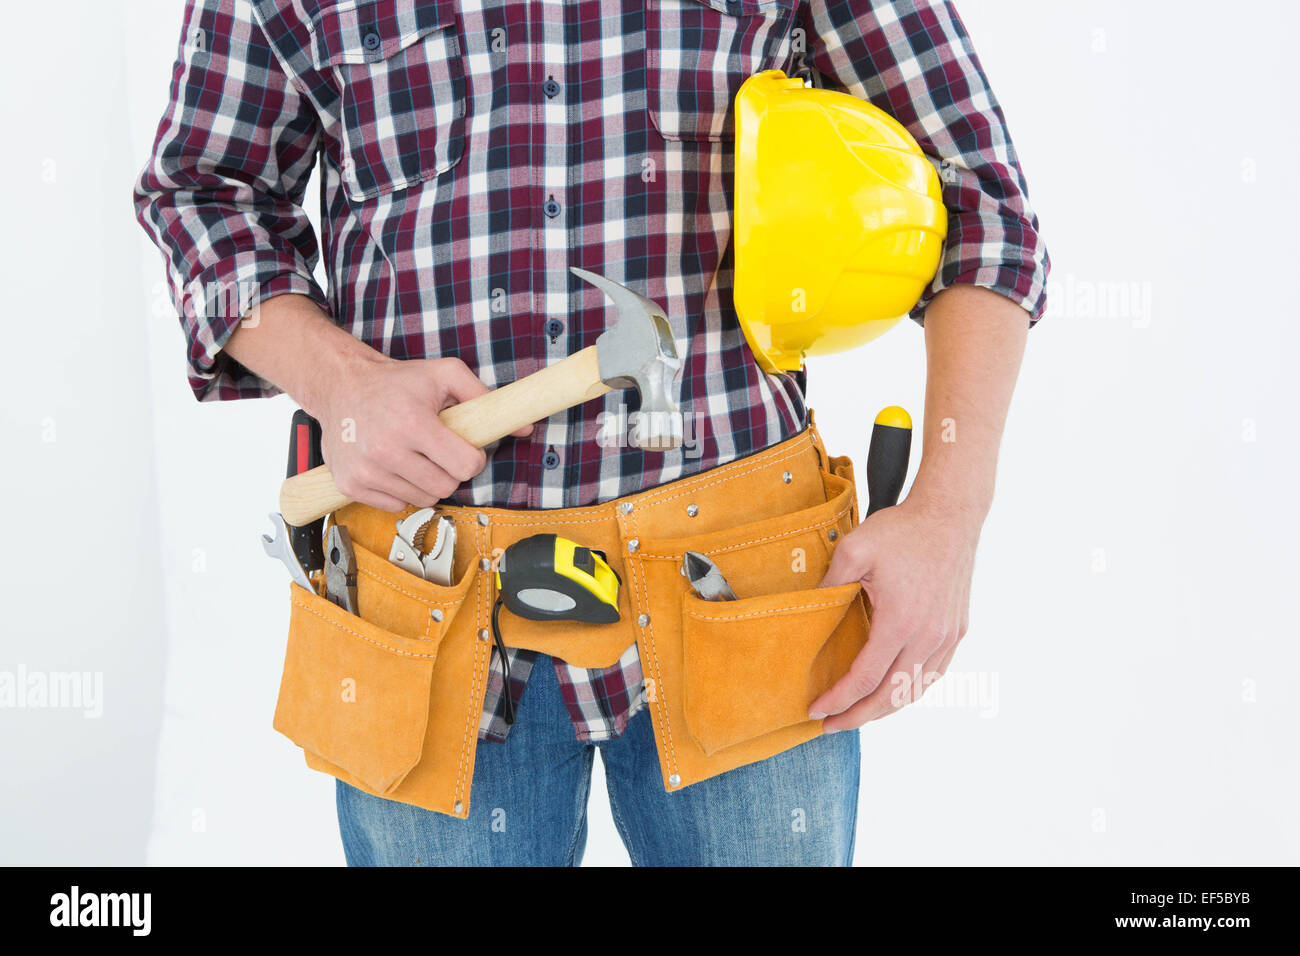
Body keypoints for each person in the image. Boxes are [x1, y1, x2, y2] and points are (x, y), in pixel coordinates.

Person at [135, 0, 1048, 866]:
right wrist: (340, 383)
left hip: (743, 595)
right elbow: (203, 192)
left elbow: (980, 201)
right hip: (429, 598)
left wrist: (948, 513)